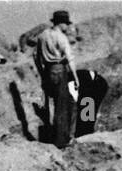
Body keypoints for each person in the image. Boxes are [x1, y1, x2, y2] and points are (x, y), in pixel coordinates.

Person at [34, 10, 78, 148]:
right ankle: (62, 140)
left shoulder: (42, 36)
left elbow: (36, 57)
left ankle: (53, 135)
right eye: (66, 24)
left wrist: (42, 74)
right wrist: (76, 78)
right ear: (62, 24)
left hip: (47, 71)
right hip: (60, 70)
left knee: (52, 104)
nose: (67, 27)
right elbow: (70, 59)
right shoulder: (61, 38)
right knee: (63, 106)